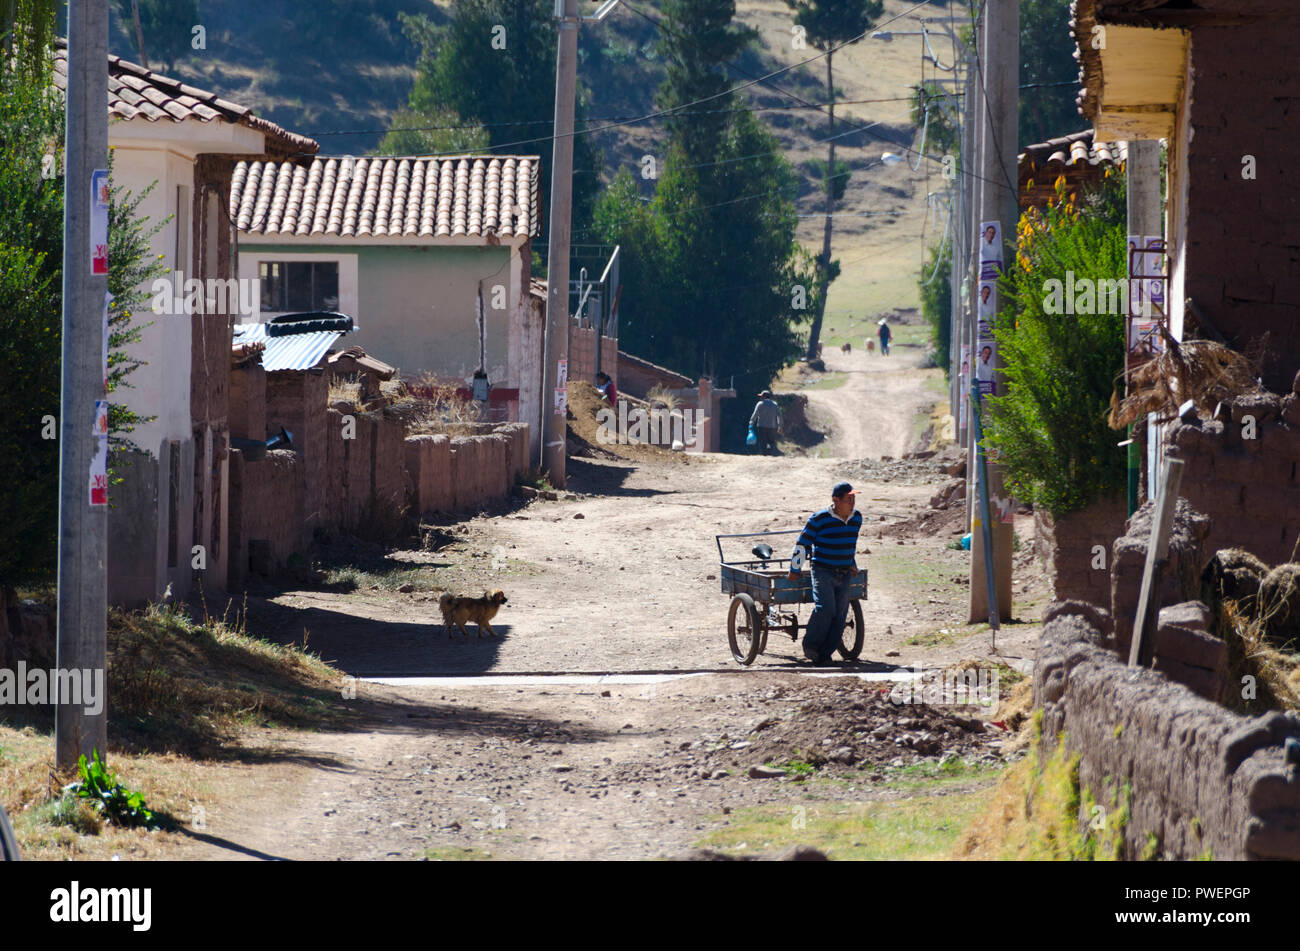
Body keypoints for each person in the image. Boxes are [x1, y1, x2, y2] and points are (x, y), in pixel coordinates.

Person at [788, 482, 863, 665]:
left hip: (844, 573)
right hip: (823, 570)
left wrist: (852, 563)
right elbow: (803, 544)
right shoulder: (819, 519)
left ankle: (825, 654)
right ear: (836, 500)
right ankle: (811, 646)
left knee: (840, 613)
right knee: (826, 609)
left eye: (854, 499)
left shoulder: (857, 518)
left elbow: (848, 544)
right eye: (848, 499)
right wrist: (795, 569)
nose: (852, 503)